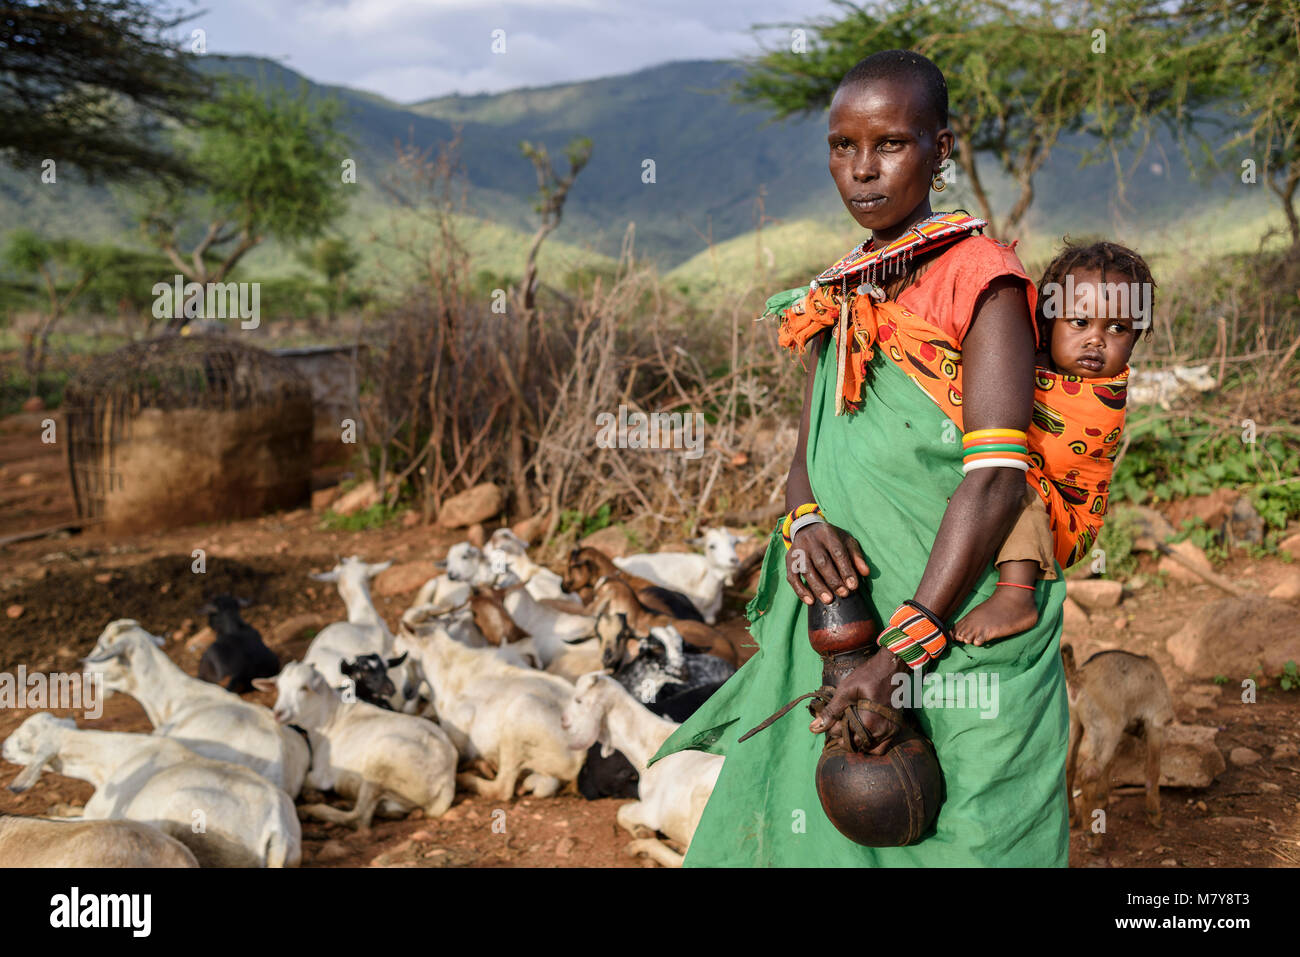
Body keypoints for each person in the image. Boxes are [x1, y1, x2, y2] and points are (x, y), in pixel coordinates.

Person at [648, 49, 1069, 866]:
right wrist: (804, 525)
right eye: (843, 146)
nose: (862, 170)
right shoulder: (842, 292)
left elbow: (992, 480)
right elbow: (808, 452)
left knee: (973, 837)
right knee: (832, 834)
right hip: (848, 628)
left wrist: (903, 650)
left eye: (891, 145)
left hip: (959, 627)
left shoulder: (985, 283)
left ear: (941, 151)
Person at [953, 241, 1156, 647]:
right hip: (1044, 498)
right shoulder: (1030, 363)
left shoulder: (1101, 398)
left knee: (1009, 473)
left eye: (1117, 329)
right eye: (1079, 323)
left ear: (1136, 339)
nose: (1096, 340)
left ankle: (1016, 596)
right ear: (1046, 323)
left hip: (1067, 521)